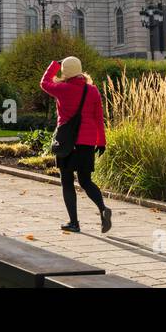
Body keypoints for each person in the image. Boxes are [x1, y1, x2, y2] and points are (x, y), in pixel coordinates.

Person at [40, 56, 112, 234]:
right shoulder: (92, 91)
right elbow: (98, 118)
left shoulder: (61, 89)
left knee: (67, 181)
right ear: (80, 70)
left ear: (66, 72)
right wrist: (101, 142)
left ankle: (74, 223)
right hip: (87, 142)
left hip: (67, 143)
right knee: (86, 181)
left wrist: (54, 64)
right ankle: (102, 208)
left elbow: (44, 82)